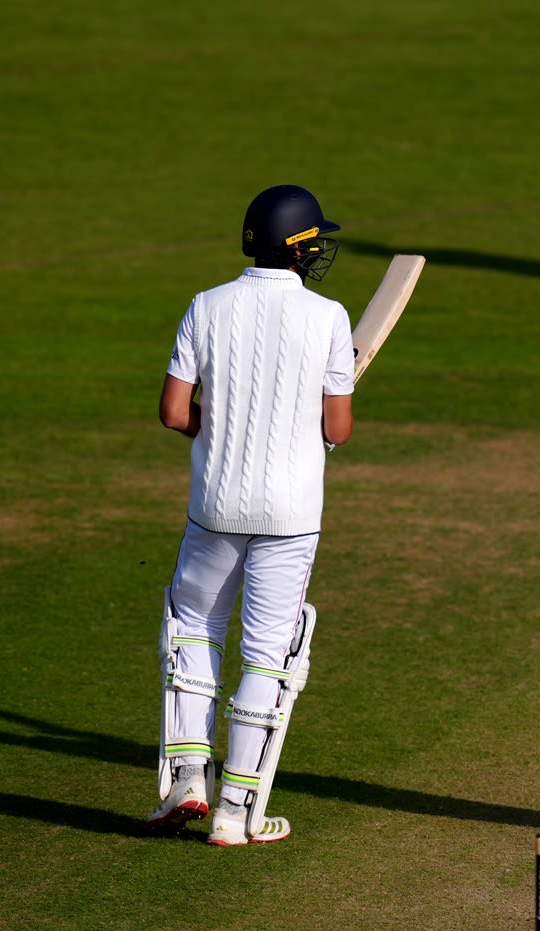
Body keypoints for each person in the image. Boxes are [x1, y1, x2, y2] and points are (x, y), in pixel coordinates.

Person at [146, 184, 355, 845]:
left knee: (193, 626)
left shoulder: (205, 306)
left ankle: (187, 780)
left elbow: (176, 412)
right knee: (268, 652)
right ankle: (237, 812)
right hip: (291, 513)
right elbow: (338, 429)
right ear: (298, 248)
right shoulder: (329, 316)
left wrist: (219, 426)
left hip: (215, 505)